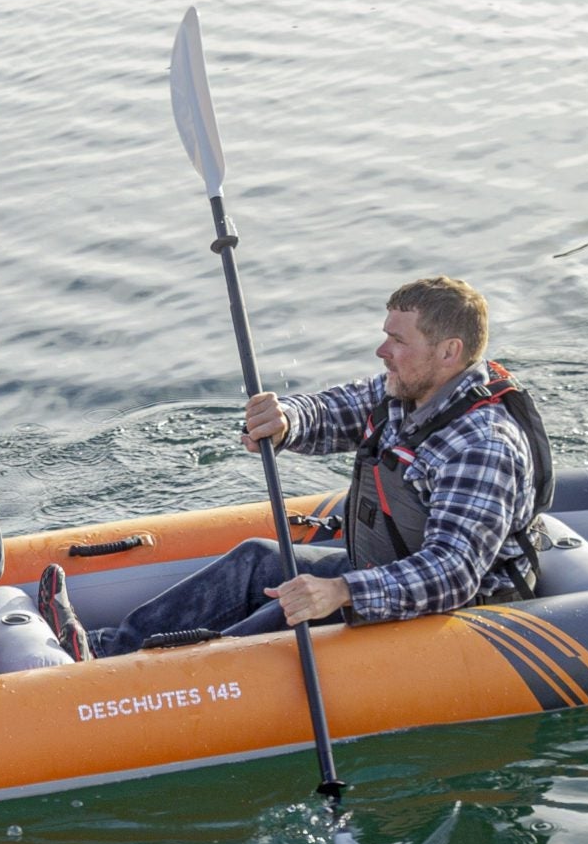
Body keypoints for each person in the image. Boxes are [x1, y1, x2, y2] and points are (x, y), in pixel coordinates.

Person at [45, 277, 551, 655]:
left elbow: (452, 574)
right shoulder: (408, 393)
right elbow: (336, 409)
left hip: (455, 615)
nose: (382, 351)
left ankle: (132, 677)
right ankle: (108, 648)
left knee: (278, 616)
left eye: (398, 341)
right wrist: (286, 419)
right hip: (383, 571)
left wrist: (340, 592)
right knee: (256, 560)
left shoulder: (483, 446)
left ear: (449, 352)